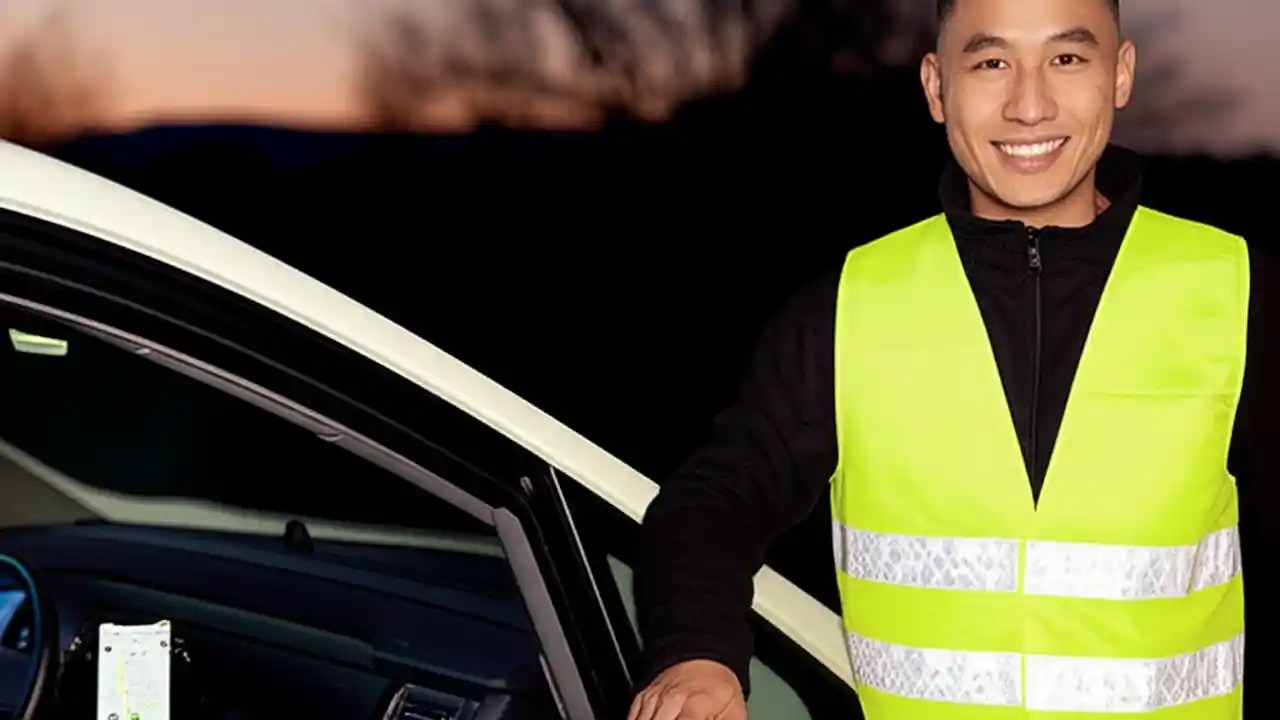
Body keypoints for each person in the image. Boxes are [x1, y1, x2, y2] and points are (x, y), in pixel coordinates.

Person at [629, 0, 1279, 717]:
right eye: (991, 62)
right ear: (937, 87)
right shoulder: (851, 307)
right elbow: (715, 499)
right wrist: (698, 654)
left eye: (1067, 58)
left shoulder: (1237, 293)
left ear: (1120, 75)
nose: (1029, 105)